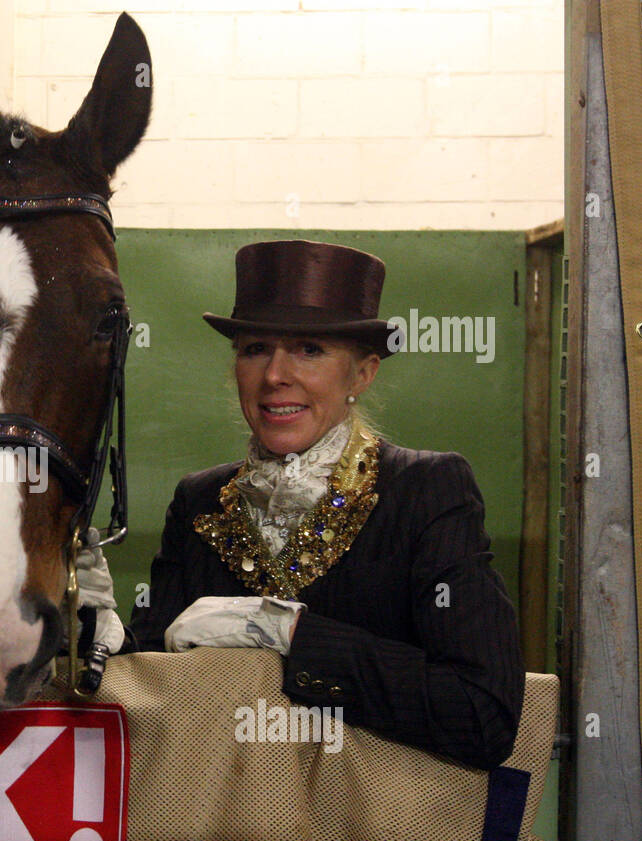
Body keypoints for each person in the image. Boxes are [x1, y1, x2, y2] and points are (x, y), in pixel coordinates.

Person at [129, 240, 523, 769]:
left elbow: (482, 716)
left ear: (362, 375)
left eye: (309, 349)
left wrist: (288, 631)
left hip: (370, 838)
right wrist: (100, 640)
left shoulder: (426, 490)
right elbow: (150, 689)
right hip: (219, 833)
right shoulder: (198, 500)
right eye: (255, 349)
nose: (274, 375)